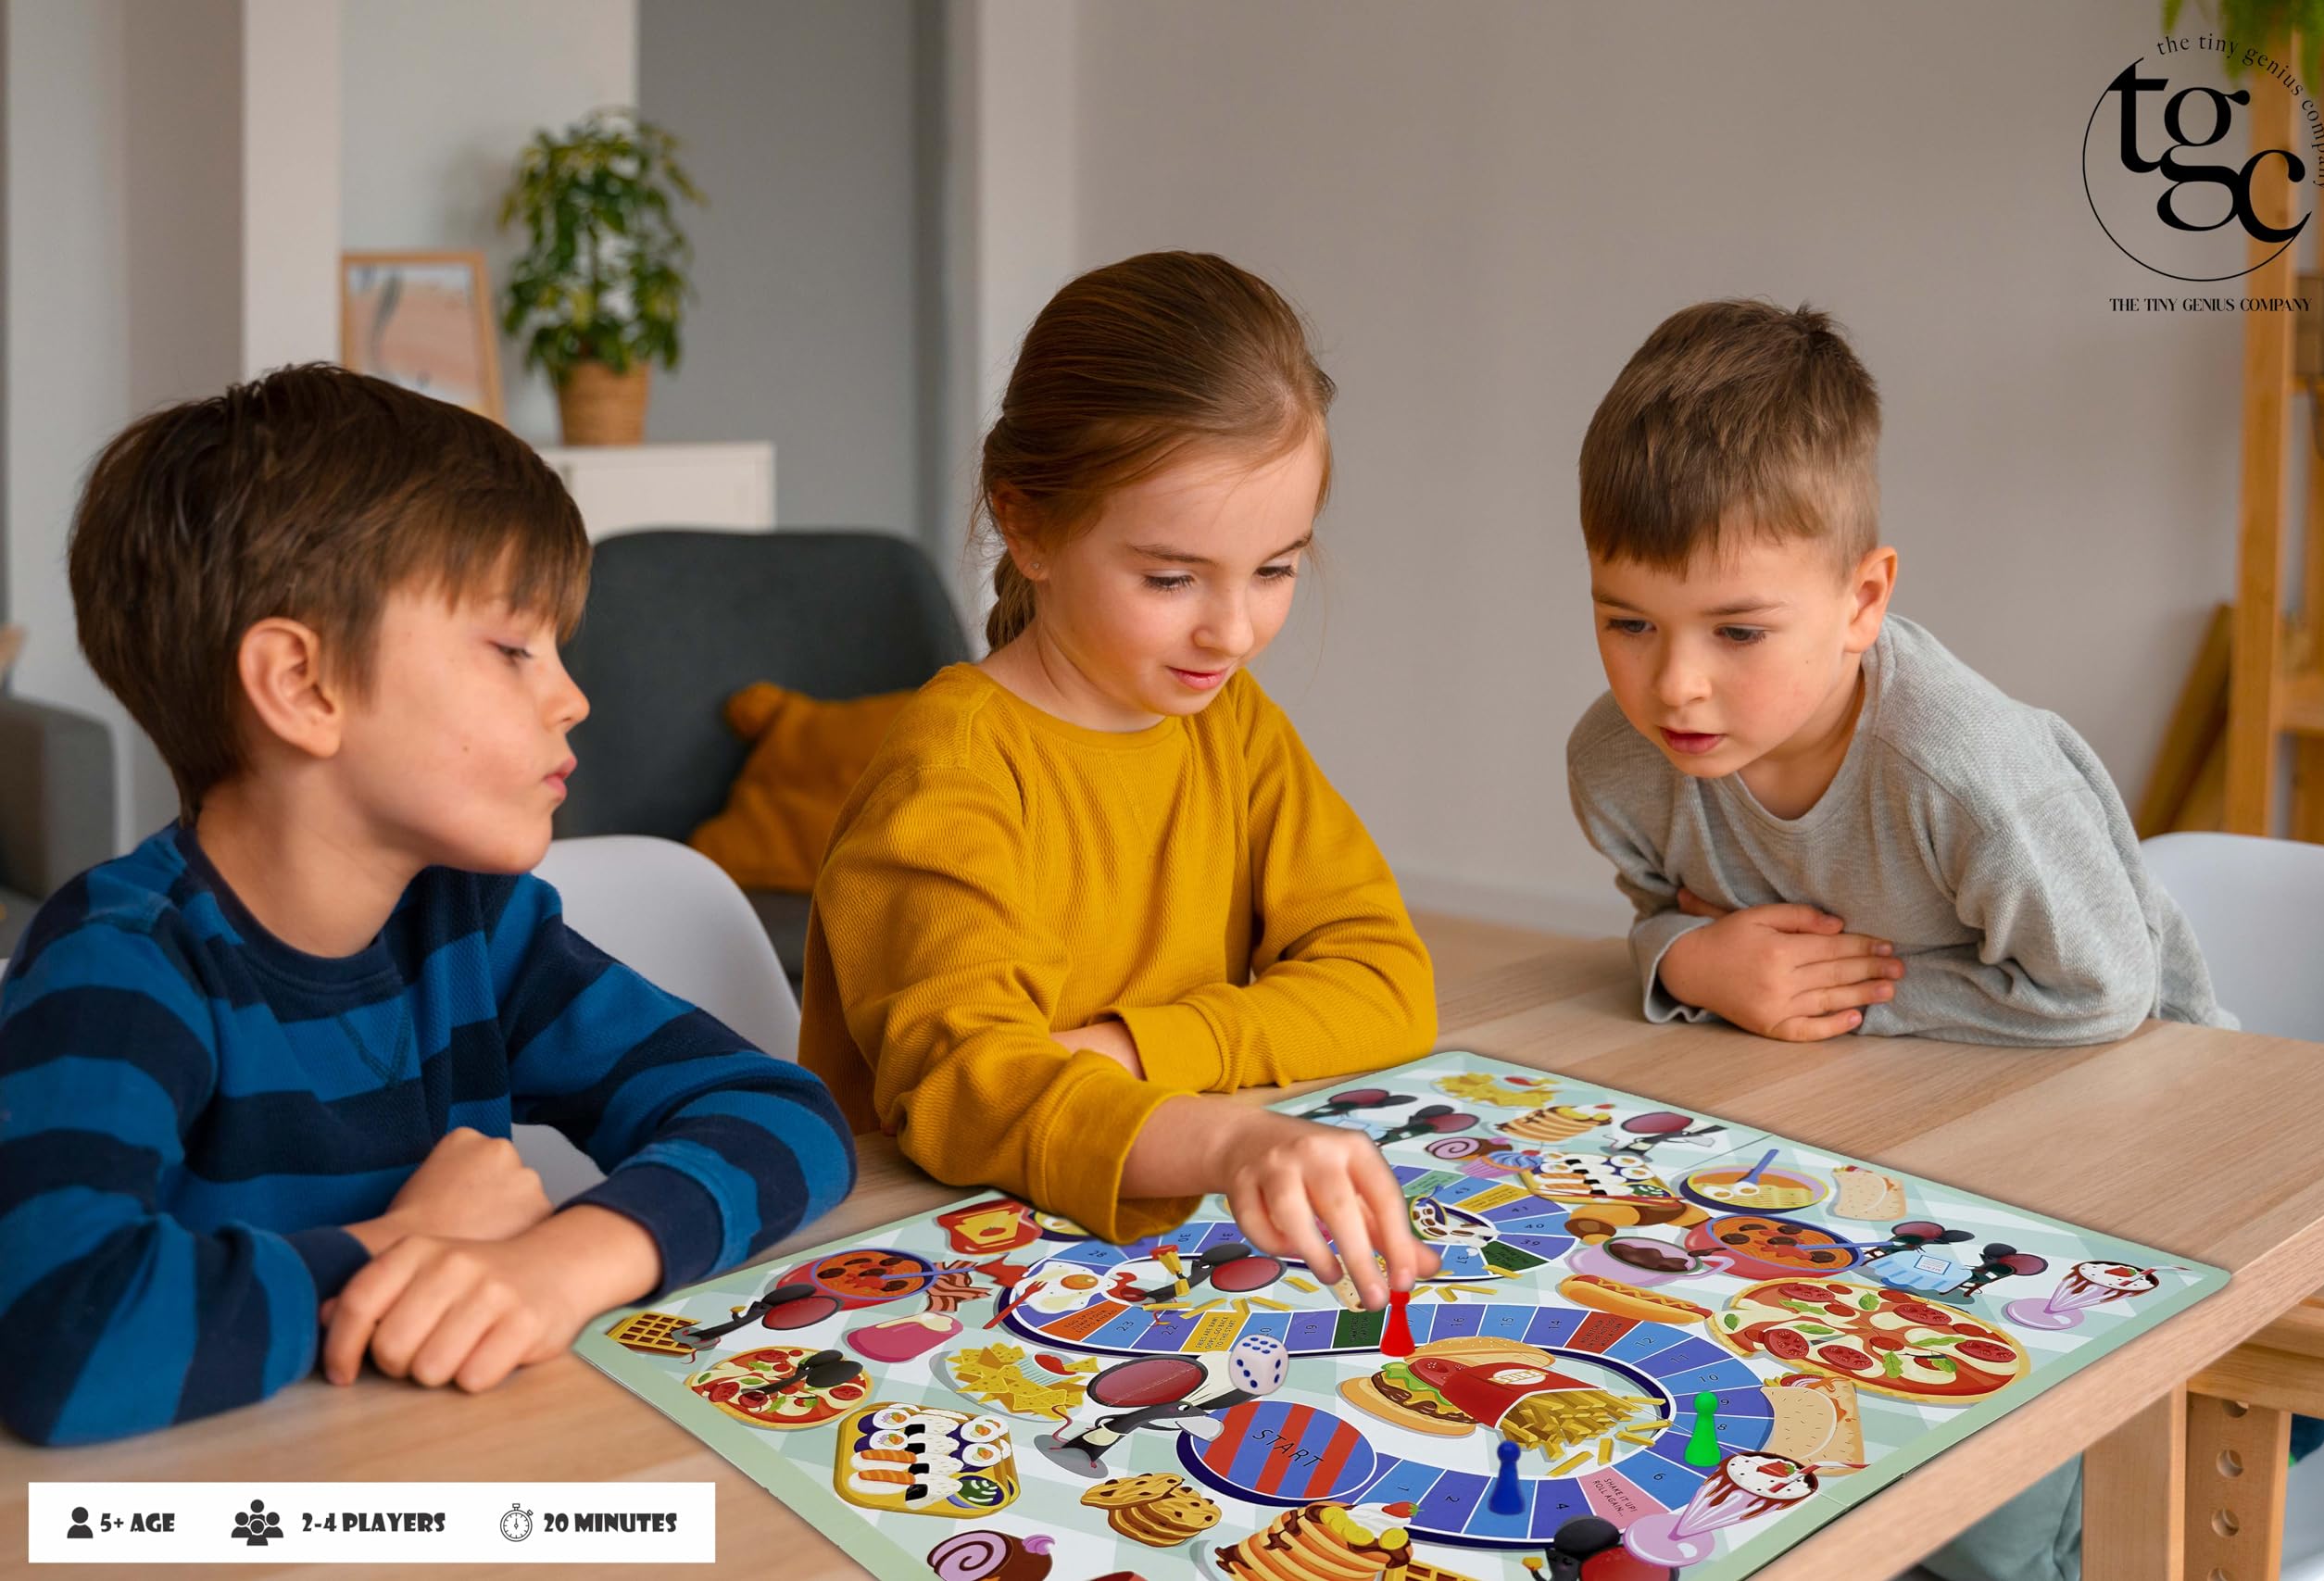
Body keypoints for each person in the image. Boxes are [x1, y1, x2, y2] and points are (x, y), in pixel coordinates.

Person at [0, 365, 853, 1446]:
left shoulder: (476, 931)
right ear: (303, 685)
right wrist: (395, 1243)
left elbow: (784, 1113)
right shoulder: (121, 966)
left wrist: (564, 1262)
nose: (572, 696)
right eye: (512, 649)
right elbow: (54, 1334)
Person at [1563, 298, 2240, 1581]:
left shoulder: (1963, 772)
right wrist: (1688, 965)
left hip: (2128, 1155)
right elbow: (1661, 910)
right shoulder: (1618, 759)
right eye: (1627, 621)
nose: (1674, 684)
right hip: (1865, 1147)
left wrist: (1841, 998)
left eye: (1736, 631)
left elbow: (2105, 990)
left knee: (1986, 1535)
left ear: (1863, 598)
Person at [800, 251, 1438, 1310]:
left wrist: (1131, 1051)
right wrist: (1221, 1135)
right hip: (934, 1267)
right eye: (1171, 577)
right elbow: (966, 1089)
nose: (1232, 631)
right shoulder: (948, 770)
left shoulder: (1231, 724)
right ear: (1028, 527)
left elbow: (1384, 982)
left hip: (1144, 1253)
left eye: (1275, 569)